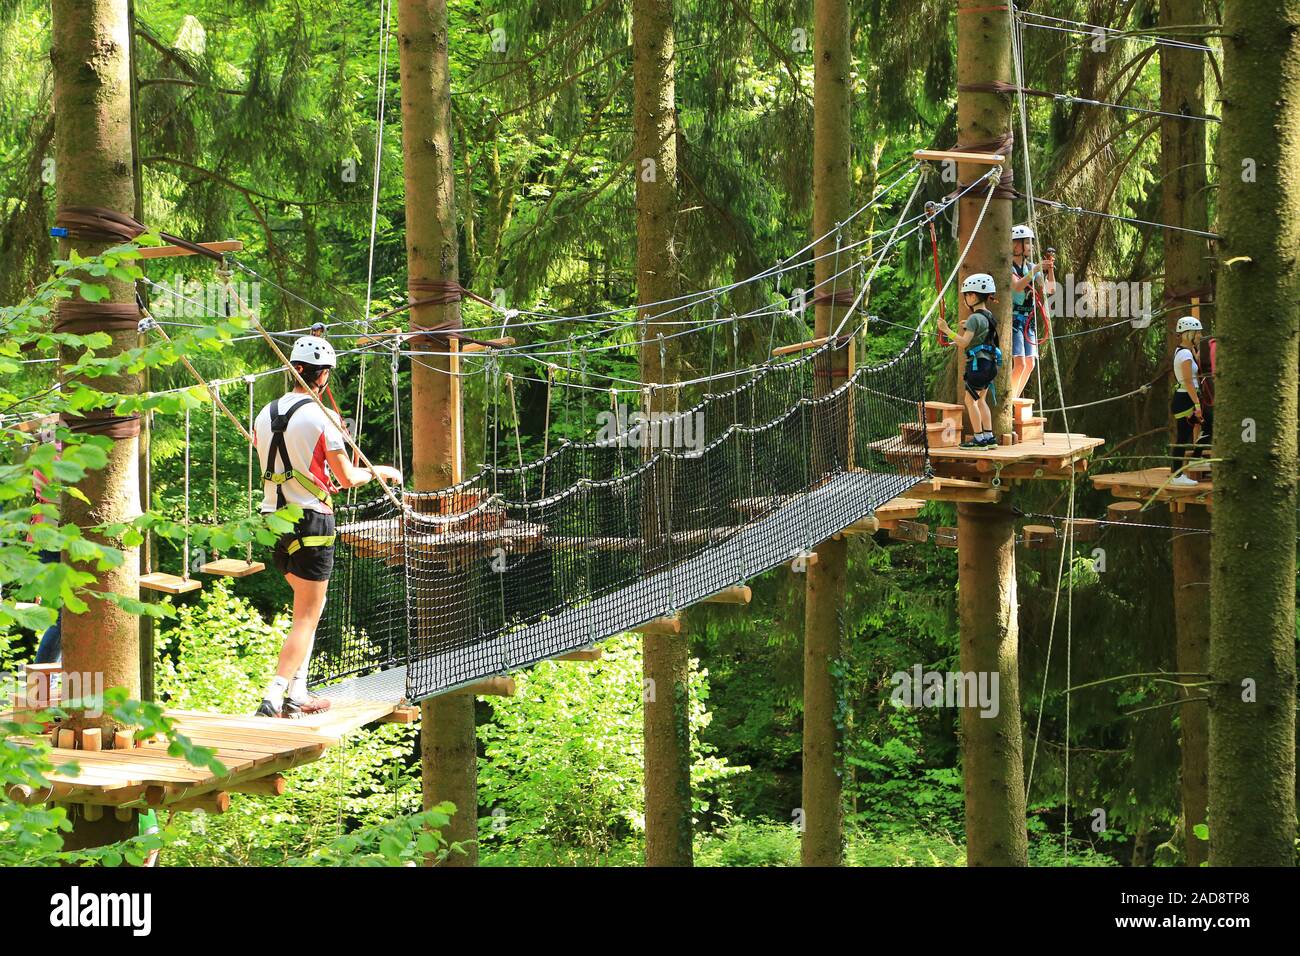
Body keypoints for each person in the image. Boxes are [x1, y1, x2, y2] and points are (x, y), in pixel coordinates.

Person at [252, 335, 403, 718]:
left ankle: (297, 693)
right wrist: (381, 471)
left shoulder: (264, 413)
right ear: (323, 376)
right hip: (312, 521)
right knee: (307, 614)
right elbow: (348, 478)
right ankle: (274, 695)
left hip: (274, 521)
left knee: (307, 611)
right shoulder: (322, 418)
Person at [937, 273, 1002, 448]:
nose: (965, 298)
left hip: (978, 366)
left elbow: (964, 342)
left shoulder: (974, 318)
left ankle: (979, 439)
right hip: (990, 365)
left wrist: (946, 330)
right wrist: (969, 326)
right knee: (981, 401)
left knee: (970, 401)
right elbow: (983, 332)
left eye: (966, 294)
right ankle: (989, 437)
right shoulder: (988, 316)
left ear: (973, 296)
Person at [1008, 225, 1055, 401]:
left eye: (1030, 242)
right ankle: (1009, 402)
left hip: (1029, 319)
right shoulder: (1009, 267)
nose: (1030, 246)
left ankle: (1013, 400)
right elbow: (1017, 286)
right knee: (1019, 363)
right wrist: (1036, 270)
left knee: (1030, 364)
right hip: (1014, 319)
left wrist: (1049, 269)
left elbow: (1050, 290)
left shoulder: (1031, 267)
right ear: (1015, 245)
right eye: (1026, 242)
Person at [1170, 316, 1206, 487]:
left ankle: (1196, 461)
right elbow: (1188, 381)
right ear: (1188, 333)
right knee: (1183, 437)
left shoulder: (1186, 351)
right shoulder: (1184, 354)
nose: (1200, 335)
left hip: (1187, 397)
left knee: (1205, 427)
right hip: (1186, 398)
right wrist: (1197, 404)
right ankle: (1177, 475)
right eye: (1197, 332)